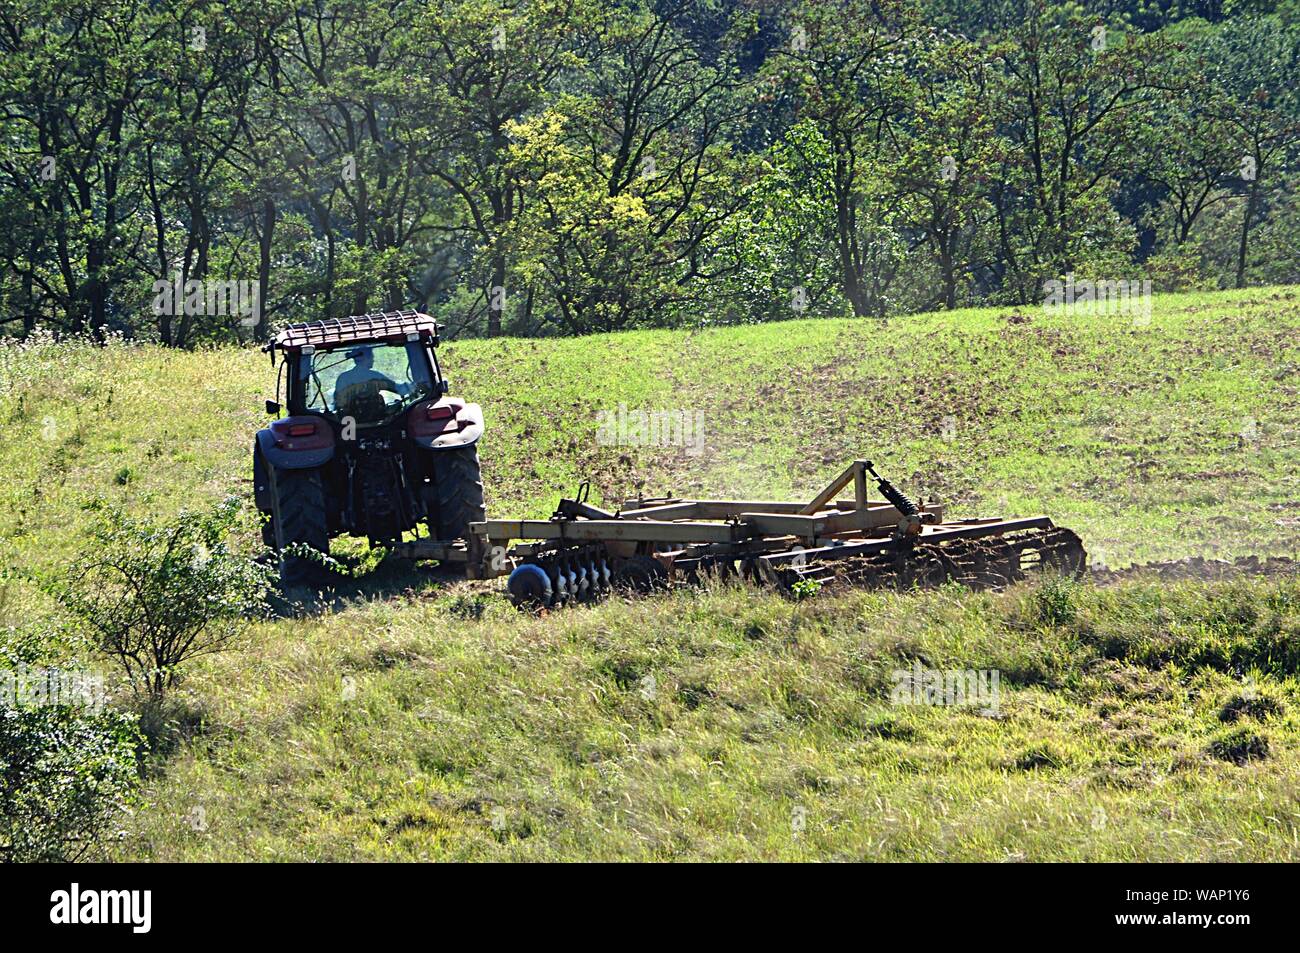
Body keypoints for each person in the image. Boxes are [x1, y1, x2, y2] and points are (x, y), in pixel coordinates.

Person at [332, 346, 402, 418]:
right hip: (376, 420)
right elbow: (399, 389)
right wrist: (410, 388)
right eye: (371, 357)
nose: (373, 360)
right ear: (364, 358)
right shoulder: (374, 376)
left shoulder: (343, 378)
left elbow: (339, 403)